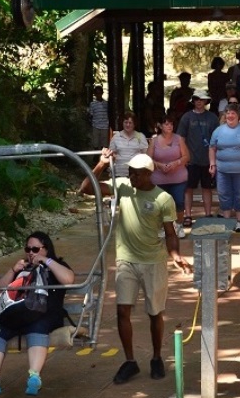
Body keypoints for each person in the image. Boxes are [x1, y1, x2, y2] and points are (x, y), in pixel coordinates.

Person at [79, 153, 192, 384]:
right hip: (126, 260)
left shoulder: (163, 199)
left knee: (154, 314)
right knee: (123, 311)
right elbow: (86, 188)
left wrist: (176, 255)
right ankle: (130, 362)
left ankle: (157, 357)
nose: (132, 176)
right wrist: (101, 163)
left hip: (153, 262)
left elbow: (170, 234)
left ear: (149, 174)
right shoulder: (122, 187)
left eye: (137, 173)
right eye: (130, 171)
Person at [0, 231, 74, 396]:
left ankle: (34, 376)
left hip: (46, 313)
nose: (31, 253)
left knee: (38, 324)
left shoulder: (55, 264)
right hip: (20, 312)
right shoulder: (23, 267)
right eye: (28, 249)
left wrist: (46, 261)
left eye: (35, 249)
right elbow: (0, 288)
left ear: (46, 249)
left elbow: (69, 279)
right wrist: (13, 270)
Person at [208, 102, 240, 232]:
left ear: (238, 115)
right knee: (224, 194)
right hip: (222, 170)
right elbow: (212, 148)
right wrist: (212, 164)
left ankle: (239, 221)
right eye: (228, 113)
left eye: (233, 113)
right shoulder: (218, 131)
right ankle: (227, 222)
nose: (230, 116)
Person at [177, 91, 219, 225]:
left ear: (206, 101)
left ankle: (207, 214)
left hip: (208, 159)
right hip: (191, 159)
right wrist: (183, 157)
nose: (199, 101)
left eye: (201, 99)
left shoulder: (212, 118)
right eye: (196, 99)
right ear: (193, 101)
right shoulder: (186, 117)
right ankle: (188, 215)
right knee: (188, 188)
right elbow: (181, 139)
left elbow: (216, 138)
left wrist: (214, 159)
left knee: (207, 188)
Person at [147, 112, 190, 238]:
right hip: (159, 179)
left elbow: (187, 156)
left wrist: (176, 163)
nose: (169, 126)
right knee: (160, 204)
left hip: (178, 177)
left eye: (171, 124)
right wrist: (159, 165)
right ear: (160, 126)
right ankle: (161, 227)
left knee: (179, 202)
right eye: (166, 124)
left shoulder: (179, 139)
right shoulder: (154, 141)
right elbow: (148, 159)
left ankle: (179, 226)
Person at [108, 111, 148, 177]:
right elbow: (111, 154)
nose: (128, 125)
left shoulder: (140, 136)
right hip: (119, 174)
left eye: (130, 122)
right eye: (126, 122)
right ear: (122, 123)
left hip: (135, 174)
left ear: (134, 124)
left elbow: (146, 155)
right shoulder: (116, 137)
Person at [88, 86, 110, 150]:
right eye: (97, 93)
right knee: (95, 143)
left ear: (102, 93)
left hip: (105, 126)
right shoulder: (92, 104)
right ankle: (96, 156)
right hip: (96, 126)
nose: (98, 95)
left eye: (99, 93)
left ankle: (103, 157)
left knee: (104, 144)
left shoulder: (106, 104)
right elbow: (91, 115)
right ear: (95, 94)